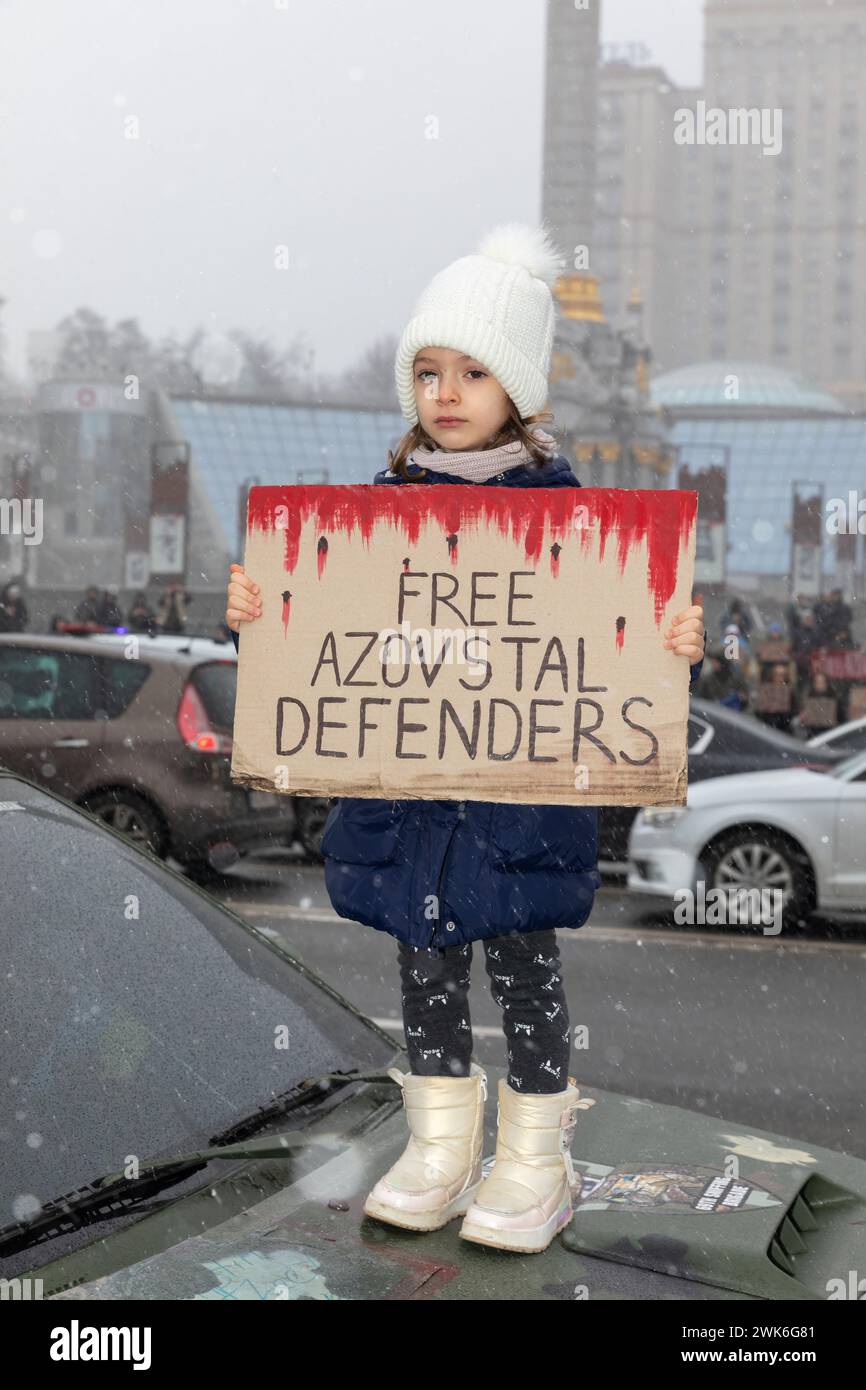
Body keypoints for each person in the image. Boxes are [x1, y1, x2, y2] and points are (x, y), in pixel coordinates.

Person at [224, 224, 706, 1254]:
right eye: (427, 370)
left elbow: (612, 645)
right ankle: (439, 1142)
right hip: (408, 805)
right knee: (425, 964)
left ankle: (534, 1157)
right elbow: (320, 632)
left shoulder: (567, 514)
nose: (444, 390)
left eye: (472, 370)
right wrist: (263, 609)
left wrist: (670, 641)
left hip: (517, 800)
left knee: (525, 968)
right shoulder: (375, 513)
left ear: (518, 387)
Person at [695, 642, 749, 711]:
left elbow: (745, 698)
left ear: (722, 663)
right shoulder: (708, 679)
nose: (713, 664)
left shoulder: (737, 678)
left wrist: (741, 698)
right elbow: (700, 699)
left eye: (715, 661)